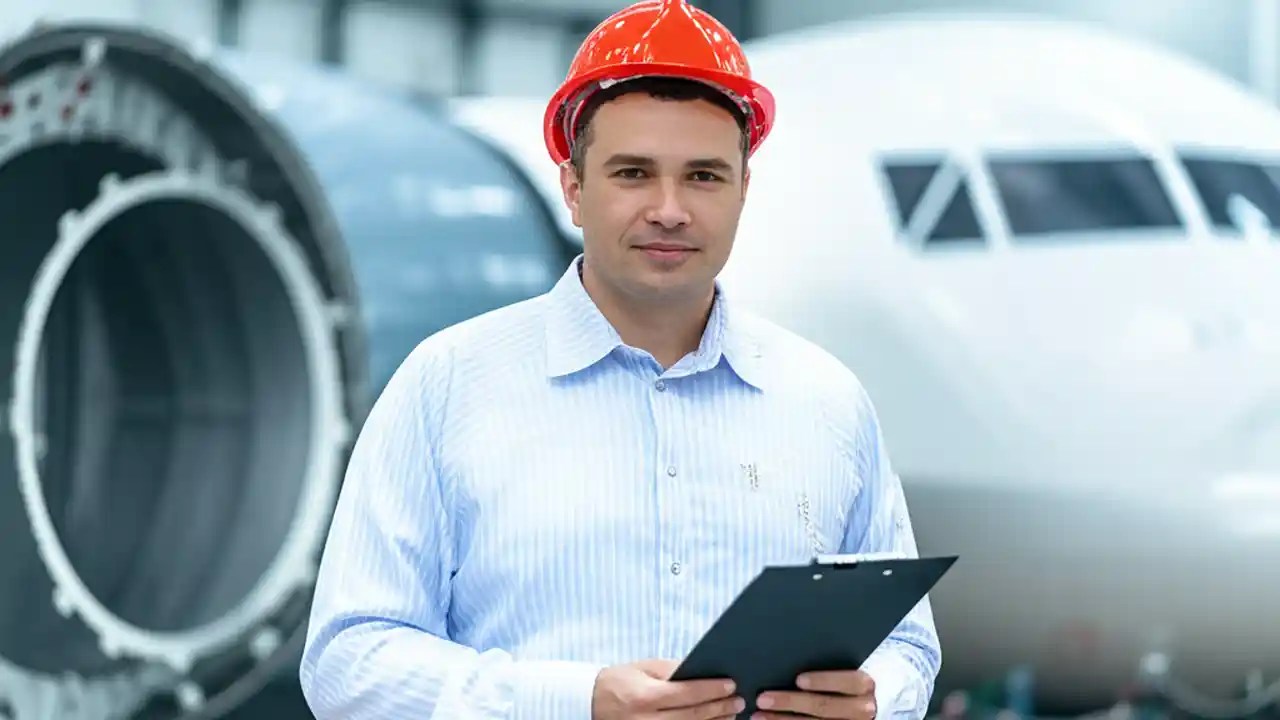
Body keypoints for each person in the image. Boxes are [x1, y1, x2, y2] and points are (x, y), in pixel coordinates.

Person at [299, 1, 941, 718]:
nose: (670, 209)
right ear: (574, 190)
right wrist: (577, 700)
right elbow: (348, 662)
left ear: (743, 192)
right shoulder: (449, 385)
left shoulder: (826, 401)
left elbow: (908, 646)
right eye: (633, 173)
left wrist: (874, 700)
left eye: (703, 176)